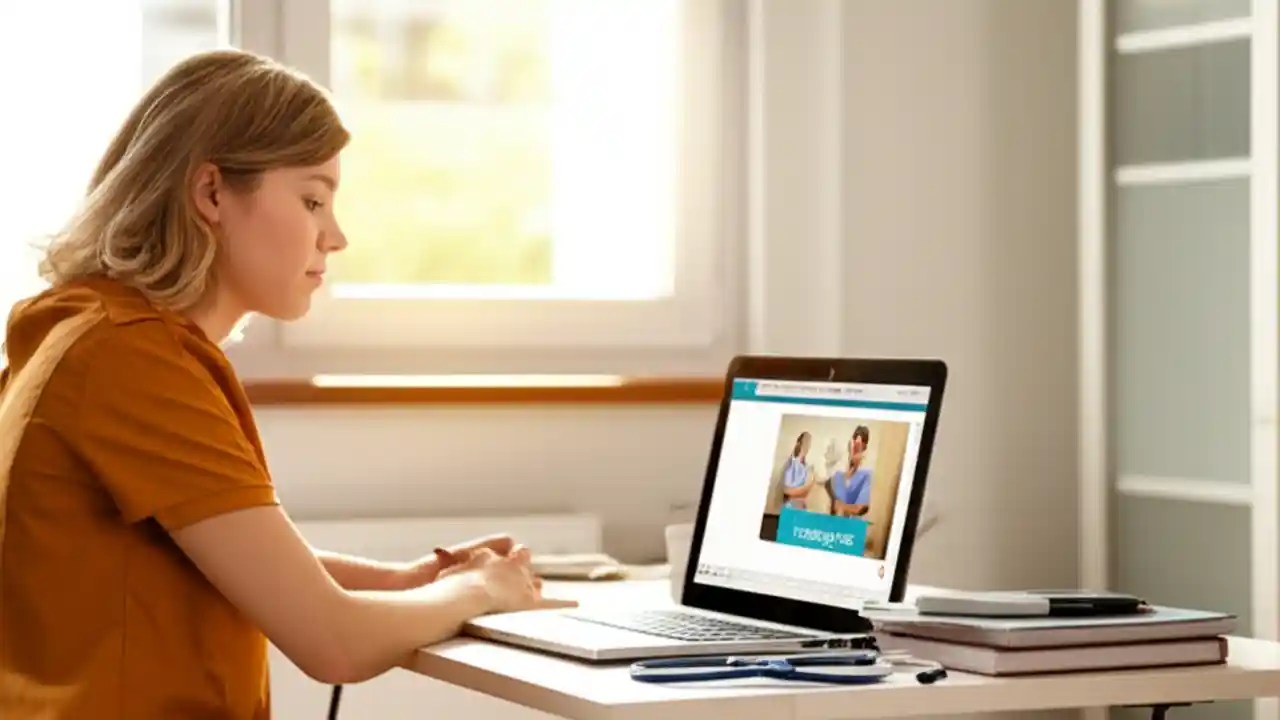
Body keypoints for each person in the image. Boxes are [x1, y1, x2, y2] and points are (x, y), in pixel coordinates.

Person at [0, 49, 571, 719]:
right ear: (211, 193)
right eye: (311, 199)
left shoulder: (80, 327)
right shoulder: (132, 360)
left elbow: (219, 552)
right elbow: (336, 644)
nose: (336, 236)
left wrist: (410, 581)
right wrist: (482, 592)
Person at [830, 426, 873, 518]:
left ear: (864, 448)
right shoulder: (840, 470)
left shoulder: (866, 473)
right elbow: (835, 505)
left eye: (859, 447)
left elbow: (861, 507)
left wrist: (843, 507)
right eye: (854, 445)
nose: (855, 450)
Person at [779, 431, 815, 510]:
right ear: (800, 443)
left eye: (809, 443)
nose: (808, 446)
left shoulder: (806, 466)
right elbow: (787, 491)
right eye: (806, 442)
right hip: (791, 508)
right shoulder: (791, 463)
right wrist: (807, 488)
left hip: (801, 508)